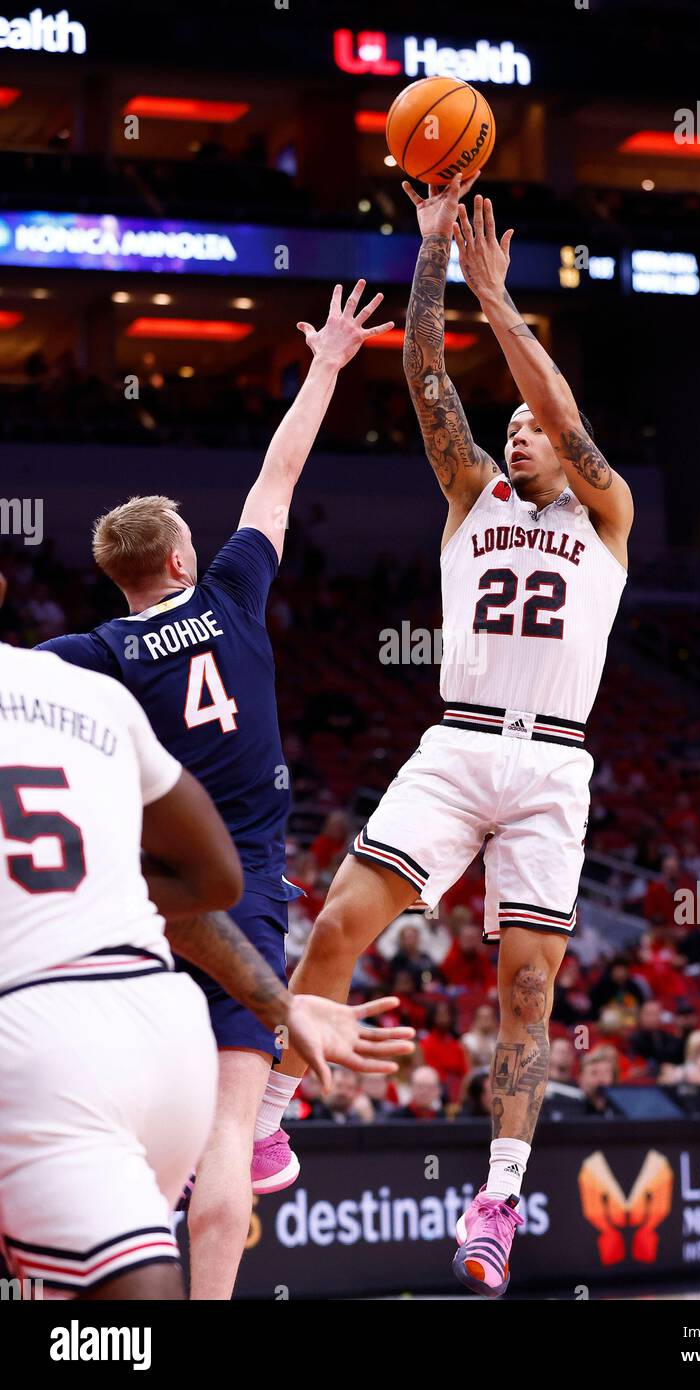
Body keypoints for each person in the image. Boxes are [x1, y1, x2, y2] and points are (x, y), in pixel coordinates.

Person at [277, 174, 633, 1298]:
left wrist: (505, 305)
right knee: (337, 918)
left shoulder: (605, 509)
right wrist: (432, 252)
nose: (520, 434)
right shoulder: (469, 495)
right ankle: (273, 1119)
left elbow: (566, 415)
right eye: (512, 425)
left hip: (550, 765)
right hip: (457, 741)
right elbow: (428, 379)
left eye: (532, 426)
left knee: (526, 996)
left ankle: (497, 1198)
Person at [35, 281, 394, 1299]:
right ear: (186, 557)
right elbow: (279, 474)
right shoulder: (234, 589)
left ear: (122, 576)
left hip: (149, 908)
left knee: (133, 1138)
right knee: (233, 1134)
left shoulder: (98, 649)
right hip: (250, 892)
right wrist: (325, 361)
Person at [0, 612, 412, 1299]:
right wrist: (279, 1003)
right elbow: (215, 881)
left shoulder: (94, 666)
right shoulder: (90, 694)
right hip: (164, 1036)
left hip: (46, 1046)